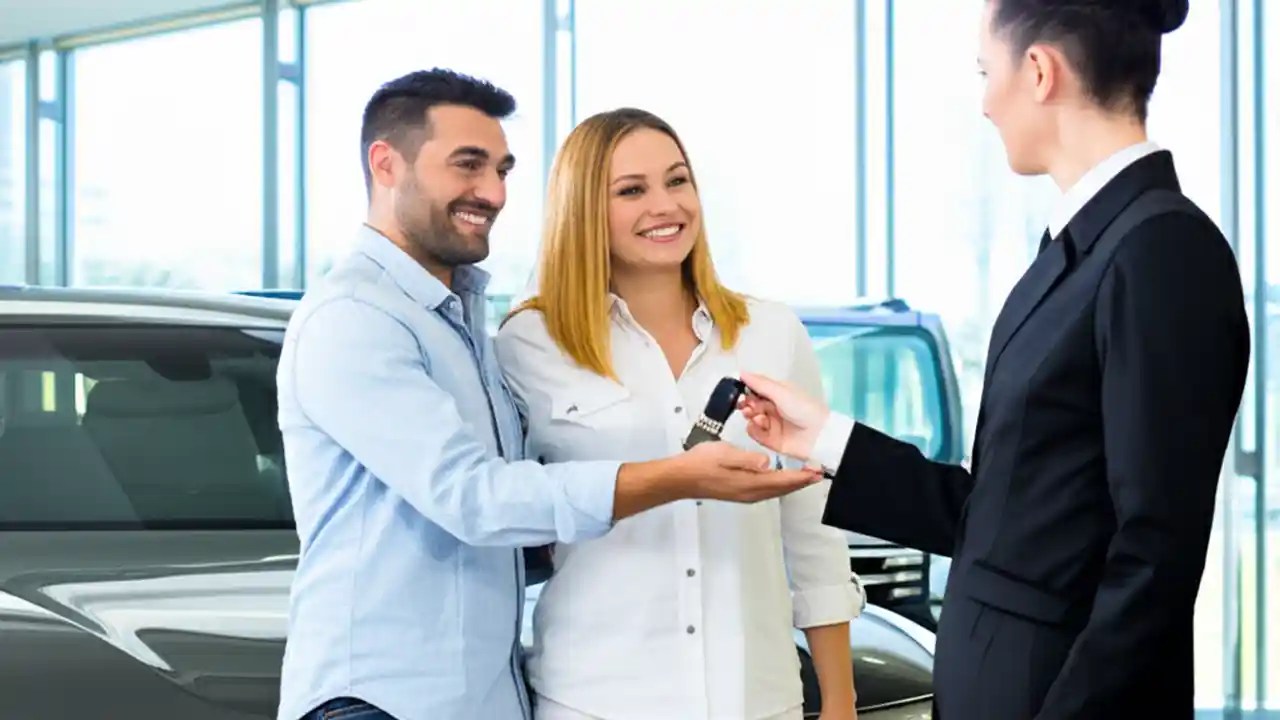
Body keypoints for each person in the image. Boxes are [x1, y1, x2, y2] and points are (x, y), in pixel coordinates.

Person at [735, 1, 1250, 718]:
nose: (983, 103)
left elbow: (1156, 555)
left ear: (1039, 71)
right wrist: (820, 437)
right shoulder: (1086, 250)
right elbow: (1002, 515)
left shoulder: (1161, 252)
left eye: (986, 71)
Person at [274, 70, 821, 720]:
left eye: (503, 169)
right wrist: (676, 478)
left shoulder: (458, 323)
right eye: (468, 166)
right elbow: (475, 498)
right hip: (382, 702)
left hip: (482, 696)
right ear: (386, 164)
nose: (495, 192)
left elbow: (519, 508)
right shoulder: (357, 319)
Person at [493, 108, 863, 720]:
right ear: (584, 210)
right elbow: (508, 508)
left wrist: (840, 701)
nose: (664, 205)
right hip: (595, 698)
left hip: (757, 698)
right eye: (631, 190)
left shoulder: (771, 333)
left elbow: (814, 527)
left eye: (677, 180)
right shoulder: (530, 342)